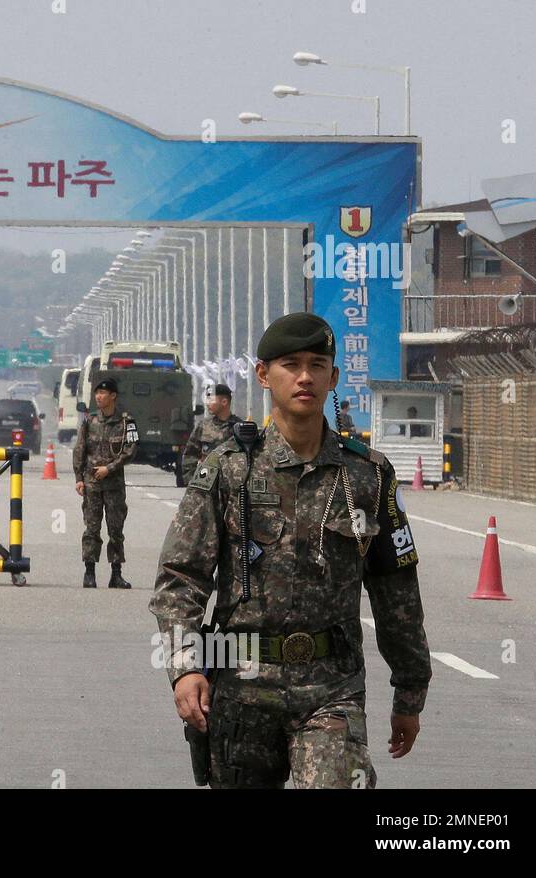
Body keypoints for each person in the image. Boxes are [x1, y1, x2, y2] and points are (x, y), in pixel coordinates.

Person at [149, 312, 431, 789]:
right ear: (264, 374)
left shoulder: (368, 475)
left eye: (317, 364)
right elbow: (181, 578)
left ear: (333, 376)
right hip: (240, 687)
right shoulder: (229, 469)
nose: (305, 377)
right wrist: (184, 667)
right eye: (290, 364)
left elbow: (396, 590)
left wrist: (410, 690)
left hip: (331, 689)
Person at [72, 377, 138, 589]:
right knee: (91, 529)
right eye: (97, 393)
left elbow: (130, 451)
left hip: (114, 486)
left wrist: (109, 468)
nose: (98, 397)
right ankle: (89, 572)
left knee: (115, 530)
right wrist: (79, 479)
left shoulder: (127, 422)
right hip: (92, 486)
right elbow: (80, 450)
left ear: (113, 396)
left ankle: (116, 574)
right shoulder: (89, 422)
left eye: (103, 393)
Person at [180, 383, 241, 484]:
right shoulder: (204, 426)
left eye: (211, 400)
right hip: (206, 483)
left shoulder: (239, 427)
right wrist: (191, 481)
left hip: (232, 484)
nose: (207, 403)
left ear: (224, 402)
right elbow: (190, 454)